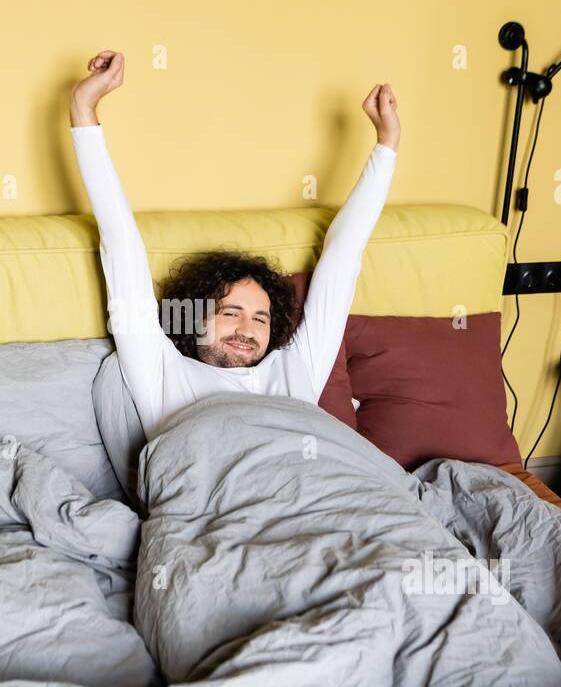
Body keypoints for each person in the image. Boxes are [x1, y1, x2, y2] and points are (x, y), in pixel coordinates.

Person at [70, 50, 400, 442]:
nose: (248, 329)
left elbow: (343, 257)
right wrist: (82, 108)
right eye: (230, 312)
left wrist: (387, 144)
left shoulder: (296, 368)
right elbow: (120, 243)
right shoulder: (162, 372)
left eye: (261, 318)